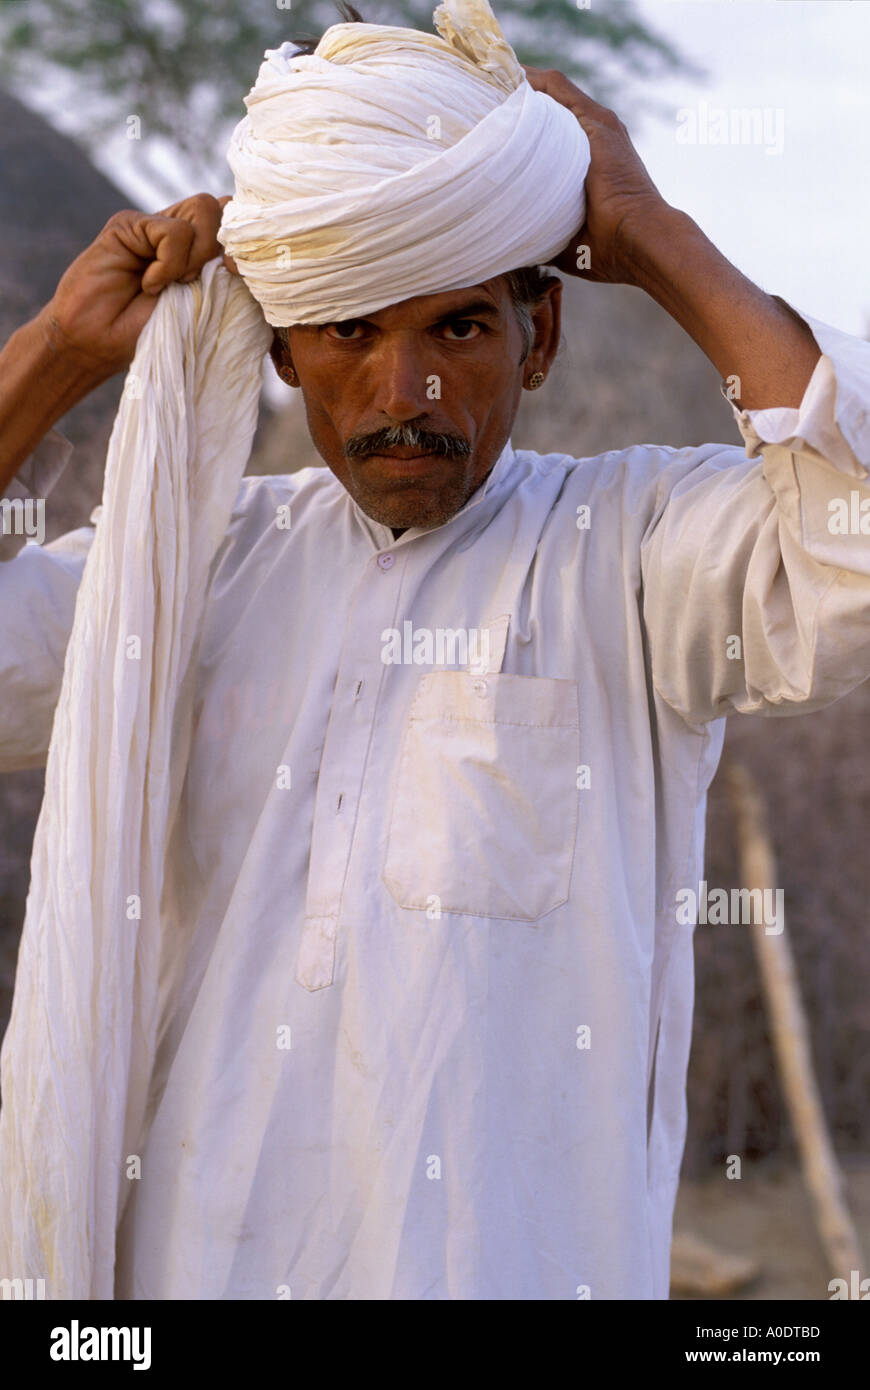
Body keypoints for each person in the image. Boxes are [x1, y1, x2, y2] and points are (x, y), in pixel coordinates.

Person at [0, 3, 868, 1300]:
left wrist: (650, 235)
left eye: (458, 327)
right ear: (287, 352)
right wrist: (59, 357)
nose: (405, 390)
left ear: (543, 337)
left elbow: (848, 550)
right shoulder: (182, 567)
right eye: (352, 330)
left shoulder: (628, 551)